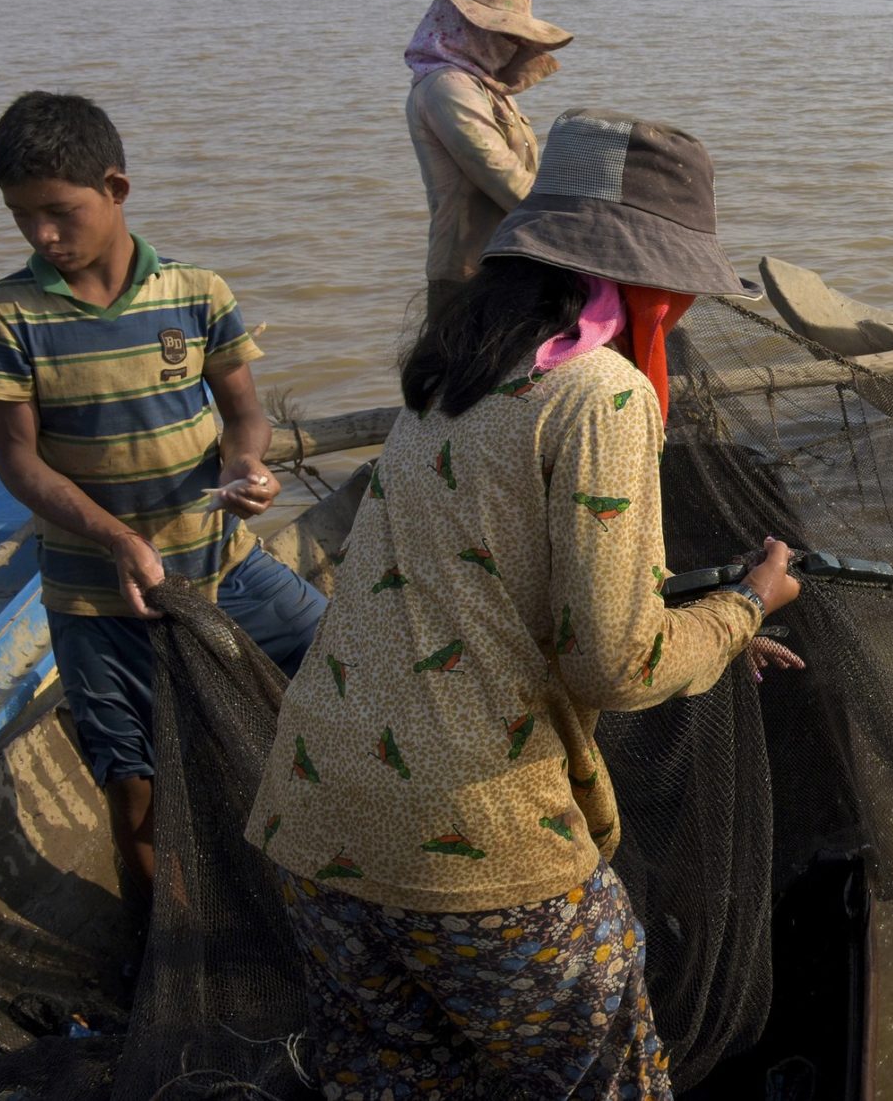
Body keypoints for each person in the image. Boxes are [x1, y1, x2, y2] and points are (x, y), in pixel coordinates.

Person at [245, 109, 796, 1098]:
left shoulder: (451, 370)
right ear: (648, 280)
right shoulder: (602, 396)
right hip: (473, 848)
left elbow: (489, 584)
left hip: (315, 817)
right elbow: (614, 665)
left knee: (395, 1081)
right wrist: (745, 608)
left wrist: (705, 633)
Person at [0, 92, 325, 907]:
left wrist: (248, 471)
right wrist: (120, 540)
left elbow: (244, 416)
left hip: (225, 568)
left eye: (60, 213)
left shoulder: (196, 293)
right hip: (99, 599)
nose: (42, 237)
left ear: (116, 189)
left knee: (346, 674)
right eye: (23, 217)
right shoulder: (4, 316)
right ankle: (169, 941)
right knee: (134, 786)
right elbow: (20, 465)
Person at [407, 0, 573, 320]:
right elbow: (501, 173)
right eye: (501, 32)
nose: (510, 43)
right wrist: (576, 227)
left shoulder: (484, 86)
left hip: (511, 259)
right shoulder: (447, 87)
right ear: (464, 25)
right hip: (471, 274)